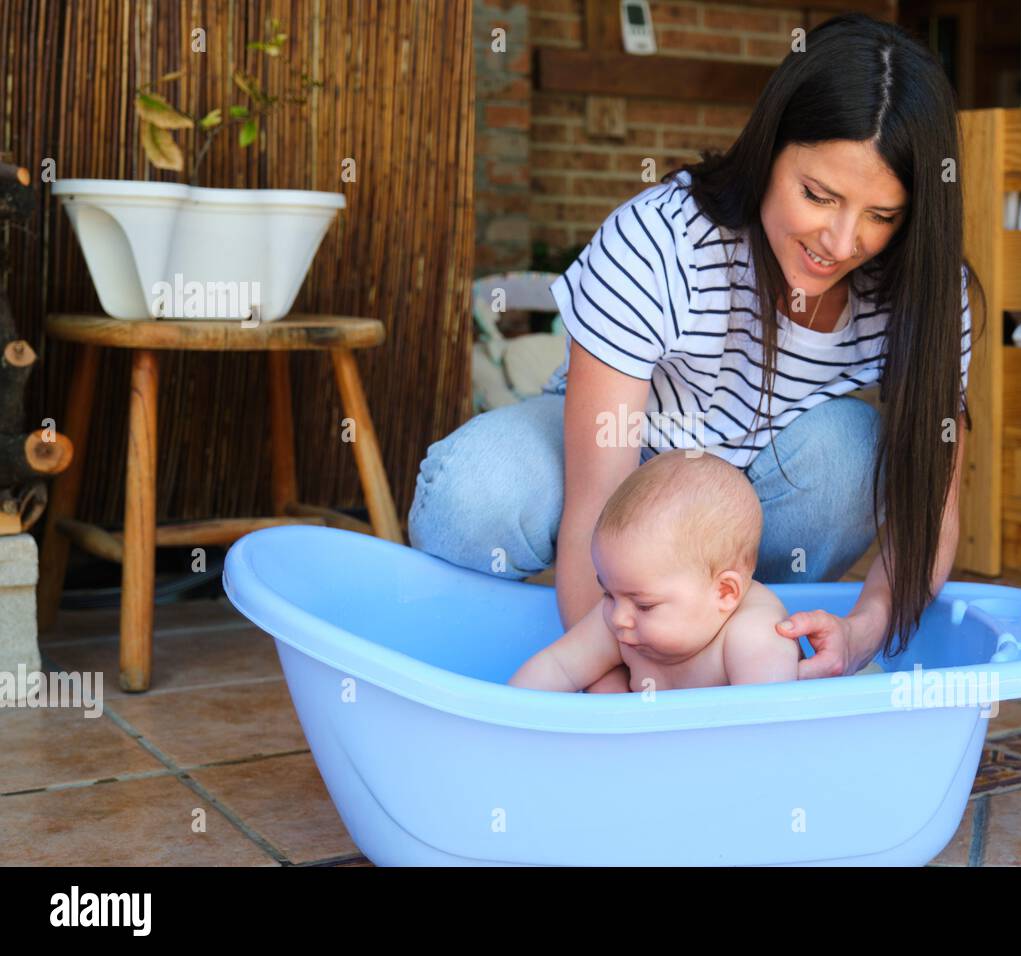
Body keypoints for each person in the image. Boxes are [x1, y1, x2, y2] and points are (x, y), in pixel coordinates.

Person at [409, 12, 981, 683]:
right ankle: (609, 628)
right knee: (472, 496)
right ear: (770, 152)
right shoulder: (660, 241)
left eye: (882, 216)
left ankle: (715, 635)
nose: (841, 241)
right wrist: (609, 678)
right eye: (819, 196)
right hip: (620, 455)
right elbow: (599, 502)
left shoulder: (927, 290)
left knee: (853, 455)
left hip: (745, 495)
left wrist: (861, 633)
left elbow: (930, 512)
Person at [508, 449, 794, 694]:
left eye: (645, 605)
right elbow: (558, 666)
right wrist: (505, 717)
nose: (618, 617)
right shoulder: (624, 618)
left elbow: (764, 730)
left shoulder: (753, 637)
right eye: (607, 593)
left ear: (724, 592)